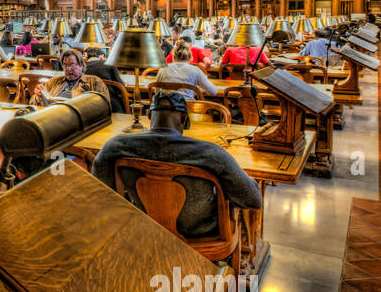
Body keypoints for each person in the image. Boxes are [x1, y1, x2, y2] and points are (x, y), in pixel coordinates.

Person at [91, 91, 263, 241]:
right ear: (185, 120)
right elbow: (253, 199)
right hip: (199, 233)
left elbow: (101, 190)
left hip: (143, 225)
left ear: (149, 117)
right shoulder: (212, 153)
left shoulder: (116, 146)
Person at [30, 49, 109, 106]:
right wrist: (38, 97)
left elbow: (105, 106)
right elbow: (32, 104)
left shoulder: (94, 82)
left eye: (72, 64)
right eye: (65, 65)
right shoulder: (53, 82)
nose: (68, 68)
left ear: (81, 65)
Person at [84, 48, 128, 113]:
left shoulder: (81, 67)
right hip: (111, 105)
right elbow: (120, 87)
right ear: (102, 56)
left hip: (86, 105)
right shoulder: (109, 64)